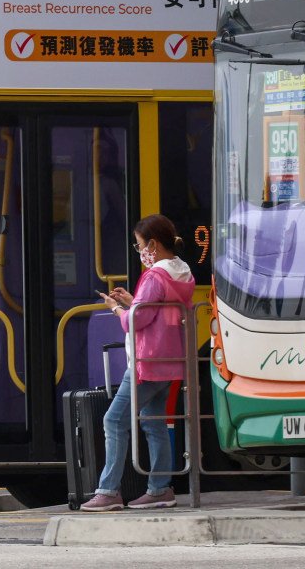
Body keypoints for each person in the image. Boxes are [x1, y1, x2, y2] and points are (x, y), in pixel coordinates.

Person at [81, 214, 196, 512]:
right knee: (154, 424)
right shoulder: (182, 273)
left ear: (154, 245)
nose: (140, 250)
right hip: (170, 361)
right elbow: (155, 310)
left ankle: (108, 491)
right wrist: (134, 300)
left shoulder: (155, 275)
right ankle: (159, 489)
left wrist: (118, 309)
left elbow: (138, 321)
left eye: (140, 245)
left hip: (147, 363)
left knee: (113, 420)